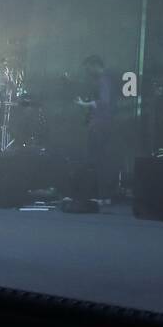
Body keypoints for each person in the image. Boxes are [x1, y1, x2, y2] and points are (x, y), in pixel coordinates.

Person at [66, 54, 116, 212]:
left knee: (97, 159)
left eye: (88, 68)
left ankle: (101, 195)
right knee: (100, 159)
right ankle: (103, 195)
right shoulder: (103, 79)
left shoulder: (103, 79)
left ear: (94, 65)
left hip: (100, 124)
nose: (87, 71)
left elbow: (104, 102)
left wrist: (84, 104)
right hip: (102, 124)